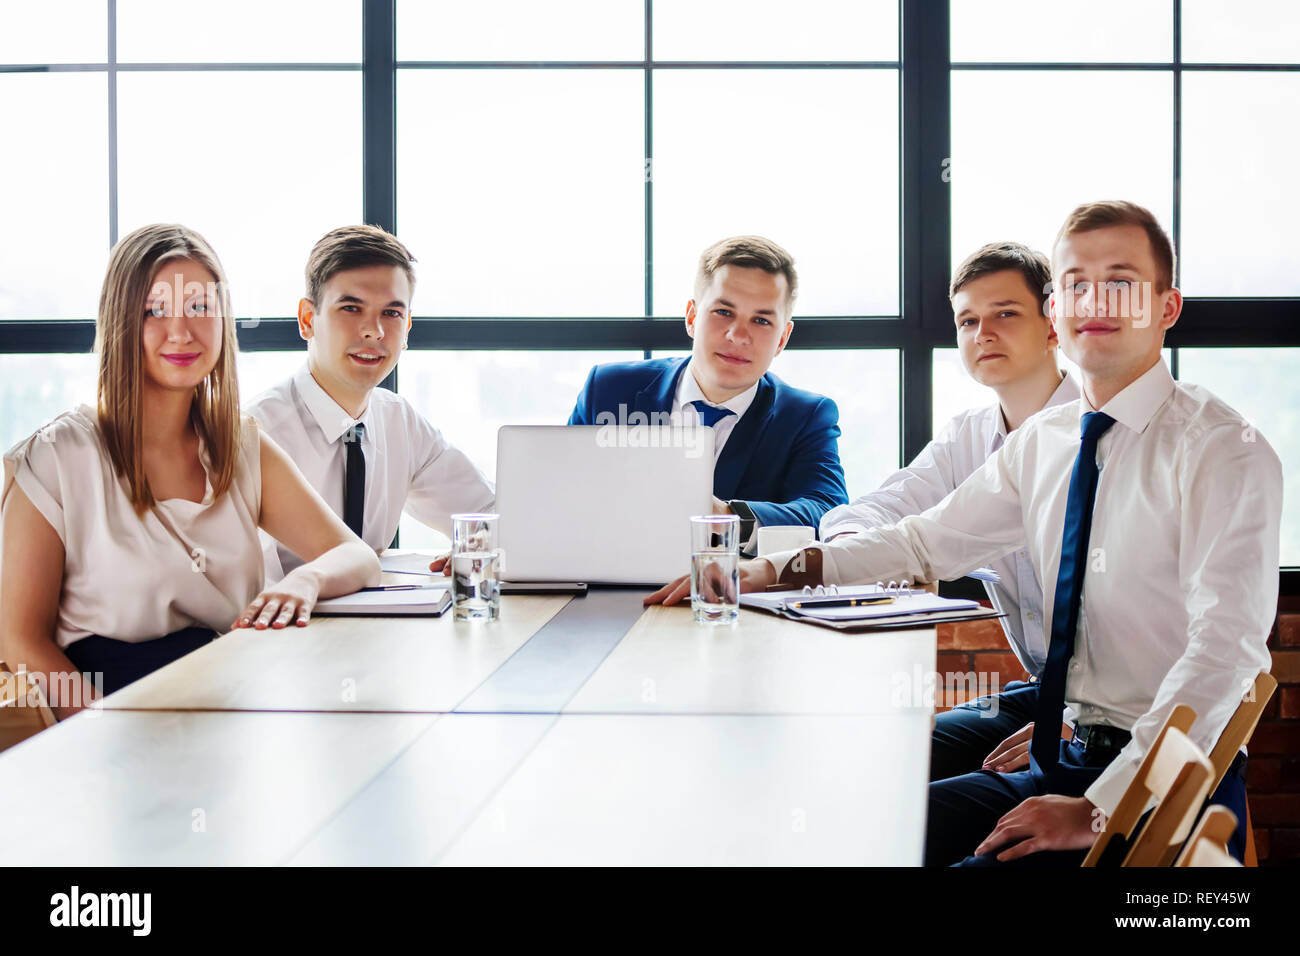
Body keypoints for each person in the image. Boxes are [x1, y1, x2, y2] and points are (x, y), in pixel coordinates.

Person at [650, 201, 1281, 865]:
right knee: (848, 827)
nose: (1093, 298)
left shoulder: (1222, 451)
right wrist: (773, 572)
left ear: (1167, 308)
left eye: (1120, 281)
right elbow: (924, 540)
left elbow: (1224, 654)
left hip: (1154, 792)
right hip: (1062, 751)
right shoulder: (1044, 442)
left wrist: (1101, 809)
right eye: (1073, 283)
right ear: (1057, 310)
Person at [0, 224, 381, 715]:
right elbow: (19, 640)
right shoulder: (56, 456)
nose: (181, 332)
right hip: (103, 723)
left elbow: (356, 558)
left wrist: (302, 582)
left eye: (201, 308)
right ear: (121, 322)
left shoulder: (240, 447)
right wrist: (98, 729)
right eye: (155, 311)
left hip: (223, 716)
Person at [819, 242, 1079, 782]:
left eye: (1005, 314)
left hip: (1107, 712)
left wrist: (1087, 720)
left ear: (1053, 324)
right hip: (1039, 693)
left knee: (918, 802)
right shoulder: (969, 435)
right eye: (967, 320)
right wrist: (849, 553)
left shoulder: (1096, 434)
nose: (982, 333)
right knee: (884, 762)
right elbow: (879, 507)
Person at [568, 235, 847, 549]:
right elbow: (561, 489)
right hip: (604, 578)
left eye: (761, 320)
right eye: (724, 312)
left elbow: (828, 513)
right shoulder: (608, 389)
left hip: (727, 592)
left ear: (782, 338)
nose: (738, 335)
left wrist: (725, 515)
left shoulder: (806, 417)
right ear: (692, 316)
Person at [245, 225, 493, 577]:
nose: (374, 331)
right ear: (306, 320)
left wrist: (479, 543)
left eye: (391, 313)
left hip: (376, 626)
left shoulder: (398, 421)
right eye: (350, 308)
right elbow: (255, 589)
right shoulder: (259, 431)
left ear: (407, 328)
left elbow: (489, 512)